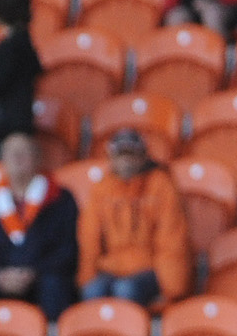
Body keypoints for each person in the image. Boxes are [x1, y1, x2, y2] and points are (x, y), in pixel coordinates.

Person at [0, 132, 78, 317]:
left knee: (55, 285)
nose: (17, 158)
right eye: (12, 153)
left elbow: (67, 249)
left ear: (37, 158)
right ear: (2, 160)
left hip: (42, 278)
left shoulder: (60, 199)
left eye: (24, 152)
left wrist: (34, 272)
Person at [77, 127, 189, 306]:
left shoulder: (160, 185)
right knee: (93, 290)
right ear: (111, 159)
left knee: (126, 289)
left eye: (131, 155)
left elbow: (171, 239)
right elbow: (89, 239)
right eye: (121, 156)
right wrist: (87, 279)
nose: (126, 162)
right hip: (112, 267)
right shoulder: (102, 189)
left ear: (144, 157)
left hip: (149, 267)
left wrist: (171, 289)